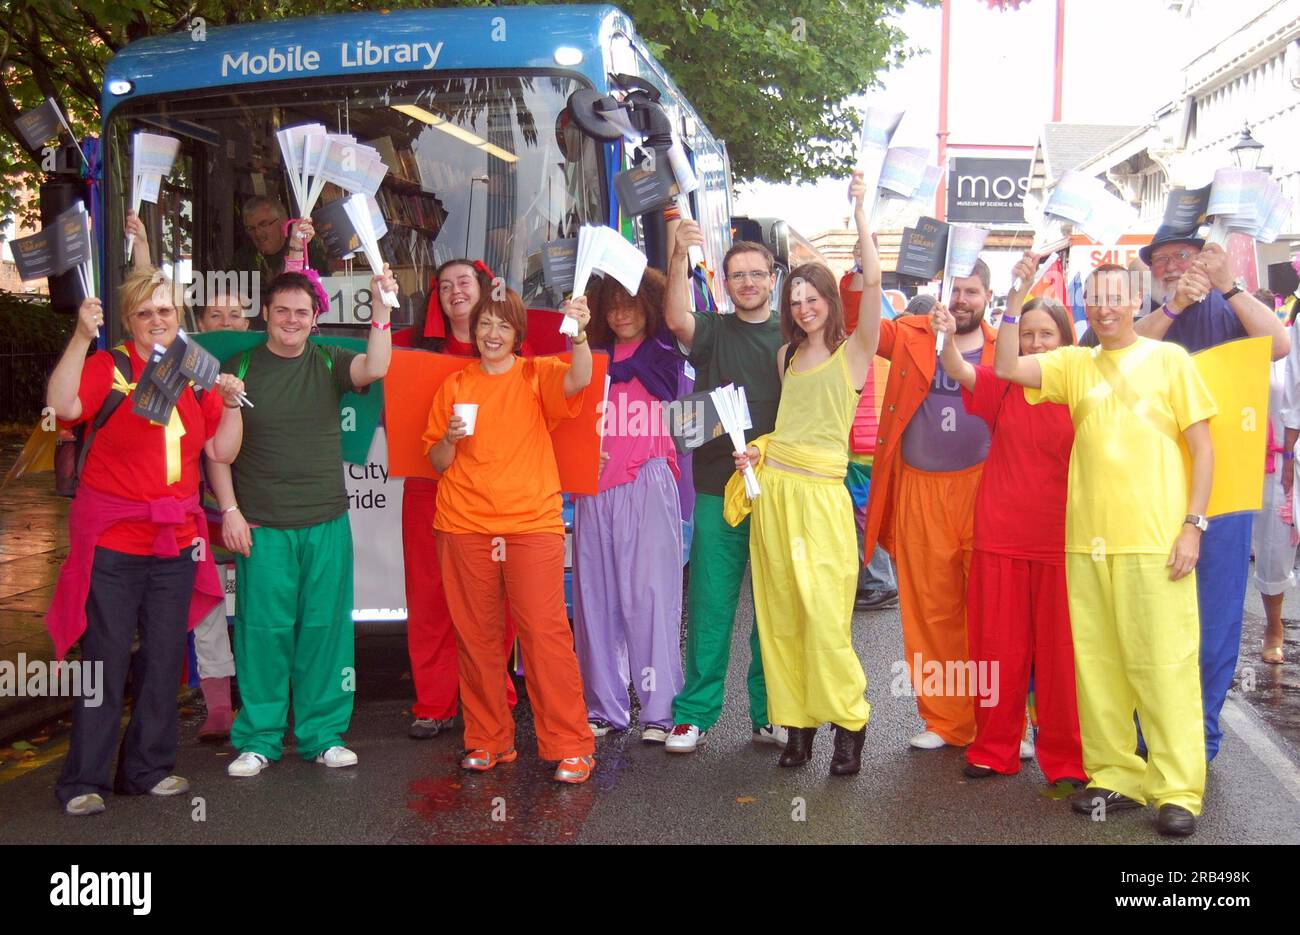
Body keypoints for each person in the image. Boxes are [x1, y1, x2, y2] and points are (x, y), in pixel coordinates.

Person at [996, 263, 1215, 837]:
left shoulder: (1170, 361)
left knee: (1164, 666)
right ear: (1084, 304)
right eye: (1095, 299)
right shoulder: (1074, 365)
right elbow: (1005, 365)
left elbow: (1204, 448)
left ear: (1138, 299)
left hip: (1156, 541)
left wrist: (1193, 524)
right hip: (1086, 546)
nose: (1106, 308)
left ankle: (1177, 789)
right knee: (1098, 666)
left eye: (1117, 298)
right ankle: (1116, 774)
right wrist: (1016, 295)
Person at [45, 269, 246, 815]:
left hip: (176, 540)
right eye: (146, 313)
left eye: (167, 312)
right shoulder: (106, 367)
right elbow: (63, 407)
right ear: (129, 319)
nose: (158, 321)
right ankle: (83, 778)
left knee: (162, 659)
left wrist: (231, 401)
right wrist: (83, 336)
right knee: (104, 659)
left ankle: (149, 768)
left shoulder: (195, 372)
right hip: (115, 539)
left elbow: (221, 453)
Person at [212, 267, 394, 777]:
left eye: (302, 312)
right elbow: (217, 453)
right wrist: (231, 512)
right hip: (263, 526)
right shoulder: (239, 366)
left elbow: (376, 367)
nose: (292, 320)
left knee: (325, 631)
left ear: (315, 320)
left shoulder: (328, 361)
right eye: (282, 311)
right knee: (262, 633)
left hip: (326, 521)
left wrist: (381, 306)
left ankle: (323, 735)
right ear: (266, 315)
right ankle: (259, 739)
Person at [733, 172, 881, 775]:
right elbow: (786, 428)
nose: (802, 306)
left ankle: (851, 723)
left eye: (811, 295)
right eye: (794, 299)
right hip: (775, 495)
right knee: (780, 616)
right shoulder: (784, 355)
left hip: (822, 500)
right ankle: (796, 729)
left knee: (823, 617)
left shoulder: (856, 351)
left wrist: (860, 209)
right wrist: (757, 454)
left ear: (829, 298)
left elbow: (872, 280)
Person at [423, 288, 597, 783]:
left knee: (545, 636)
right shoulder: (455, 384)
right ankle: (487, 740)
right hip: (463, 524)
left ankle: (570, 744)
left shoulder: (535, 374)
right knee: (477, 639)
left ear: (517, 335)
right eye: (484, 325)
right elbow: (436, 462)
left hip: (530, 524)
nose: (492, 334)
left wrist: (579, 333)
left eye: (502, 326)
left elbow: (580, 377)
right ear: (472, 332)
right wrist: (450, 440)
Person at [1134, 226, 1290, 761]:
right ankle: (1144, 734)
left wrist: (1229, 286)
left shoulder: (1234, 310)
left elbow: (1281, 344)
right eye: (1160, 260)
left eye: (1183, 255)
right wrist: (1174, 307)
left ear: (1207, 257)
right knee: (1151, 614)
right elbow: (1122, 359)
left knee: (1214, 621)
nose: (1171, 265)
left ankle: (1199, 737)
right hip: (1152, 489)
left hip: (1224, 491)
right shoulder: (1149, 315)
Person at [931, 255, 1086, 788]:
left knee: (1062, 658)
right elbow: (955, 368)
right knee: (997, 648)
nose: (1039, 344)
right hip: (1000, 535)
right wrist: (951, 333)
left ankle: (1066, 758)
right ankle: (994, 746)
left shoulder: (1084, 390)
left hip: (1063, 542)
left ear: (1067, 340)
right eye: (1031, 334)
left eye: (1049, 334)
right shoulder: (1005, 384)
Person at [661, 221, 787, 754]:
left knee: (774, 606)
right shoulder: (713, 329)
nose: (749, 282)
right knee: (711, 603)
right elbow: (675, 318)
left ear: (772, 278)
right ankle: (694, 714)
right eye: (738, 275)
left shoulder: (792, 331)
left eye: (757, 273)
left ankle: (771, 711)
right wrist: (677, 257)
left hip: (779, 487)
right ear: (726, 281)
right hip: (718, 482)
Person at [863, 259, 998, 751]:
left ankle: (1002, 722)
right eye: (955, 289)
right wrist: (866, 257)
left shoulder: (1005, 345)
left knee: (990, 611)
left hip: (984, 492)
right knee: (931, 611)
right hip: (920, 490)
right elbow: (859, 325)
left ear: (987, 295)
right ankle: (947, 719)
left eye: (972, 291)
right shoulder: (911, 333)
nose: (961, 299)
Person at [124, 212, 247, 741]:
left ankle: (269, 697)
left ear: (250, 321)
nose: (225, 323)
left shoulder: (263, 355)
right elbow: (150, 305)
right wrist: (143, 250)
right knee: (209, 599)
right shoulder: (191, 361)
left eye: (235, 315)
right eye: (213, 315)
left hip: (262, 498)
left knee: (265, 602)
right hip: (207, 502)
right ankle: (219, 705)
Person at [393, 258, 521, 740]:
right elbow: (372, 355)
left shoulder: (513, 349)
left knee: (494, 603)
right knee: (429, 598)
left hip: (494, 493)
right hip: (429, 487)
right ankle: (434, 701)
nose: (455, 292)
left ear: (486, 288)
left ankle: (492, 698)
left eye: (464, 282)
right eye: (444, 286)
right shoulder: (412, 349)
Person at [571, 268, 684, 743]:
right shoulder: (590, 358)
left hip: (647, 480)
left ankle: (659, 708)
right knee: (595, 599)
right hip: (593, 487)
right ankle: (605, 706)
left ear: (650, 305)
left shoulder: (665, 354)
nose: (620, 312)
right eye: (612, 303)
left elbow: (679, 396)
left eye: (631, 302)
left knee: (652, 597)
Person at [840, 244, 899, 612]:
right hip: (870, 437)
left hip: (864, 440)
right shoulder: (889, 327)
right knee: (864, 510)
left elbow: (855, 298)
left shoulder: (868, 330)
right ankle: (877, 579)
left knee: (864, 512)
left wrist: (863, 265)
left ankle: (880, 582)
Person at [1256, 311, 1300, 664]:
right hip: (1274, 463)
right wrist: (1287, 452)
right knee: (1274, 547)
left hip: (1289, 458)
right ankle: (1274, 625)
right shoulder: (1261, 347)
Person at [230, 195, 324, 287]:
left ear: (283, 222)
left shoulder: (306, 248)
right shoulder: (243, 258)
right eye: (251, 228)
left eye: (264, 224)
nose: (257, 233)